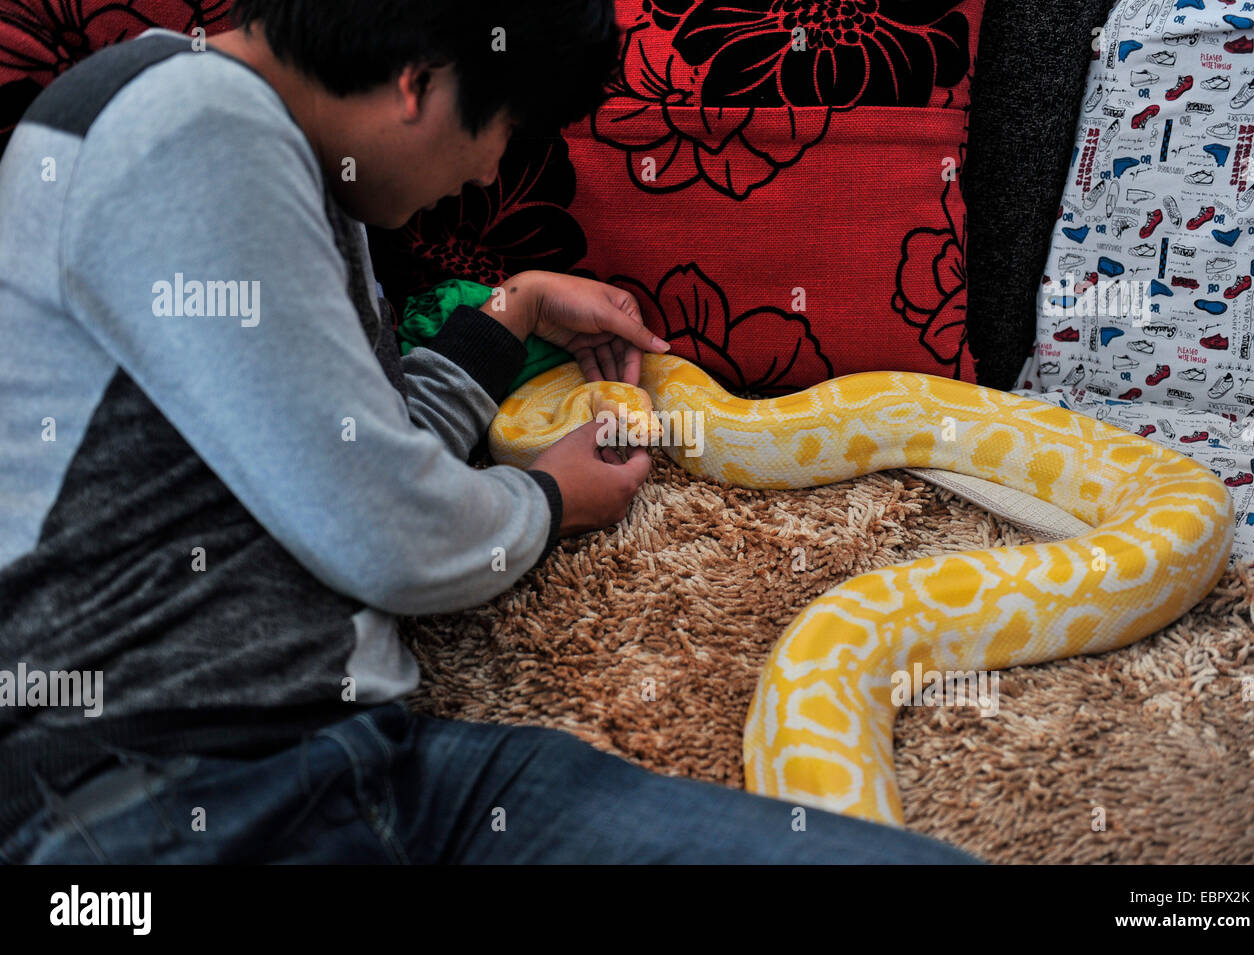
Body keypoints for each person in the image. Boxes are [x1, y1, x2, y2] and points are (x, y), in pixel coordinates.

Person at [0, 0, 978, 864]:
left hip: (362, 772)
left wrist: (508, 315)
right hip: (171, 790)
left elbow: (352, 445)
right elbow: (386, 531)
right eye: (505, 130)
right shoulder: (193, 135)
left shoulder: (230, 134)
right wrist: (549, 499)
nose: (489, 171)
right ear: (418, 84)